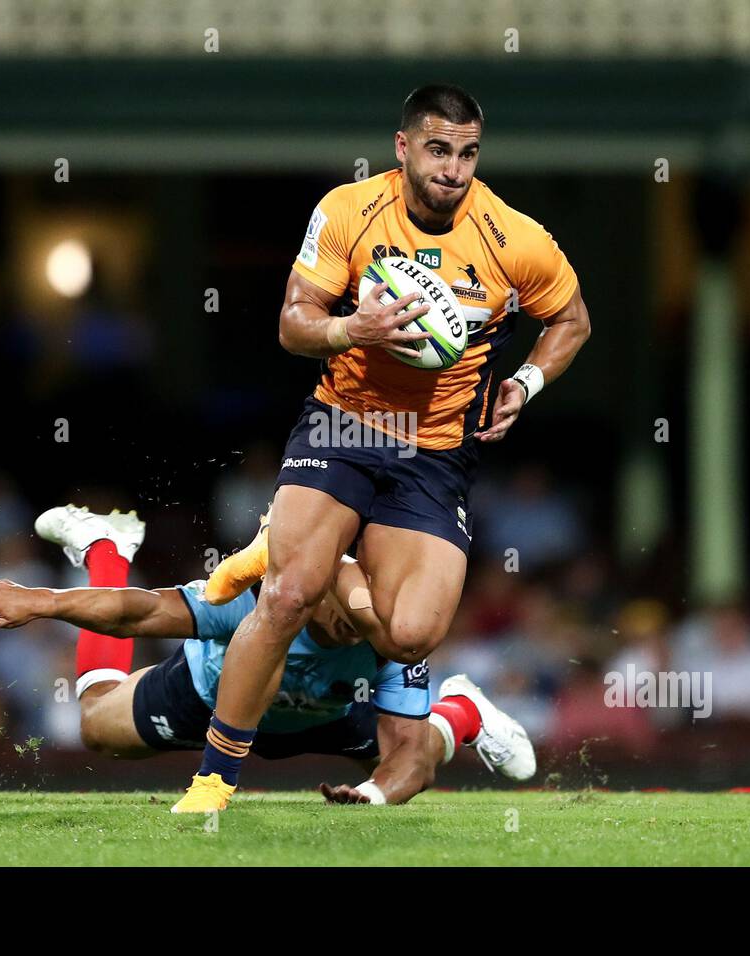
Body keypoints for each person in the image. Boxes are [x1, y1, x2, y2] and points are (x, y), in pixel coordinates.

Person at [180, 82, 591, 811]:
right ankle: (214, 781)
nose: (453, 170)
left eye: (467, 154)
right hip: (343, 425)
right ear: (403, 148)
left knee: (408, 637)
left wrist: (526, 383)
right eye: (438, 150)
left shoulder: (514, 238)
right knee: (285, 596)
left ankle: (448, 697)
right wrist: (352, 330)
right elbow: (293, 322)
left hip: (434, 454)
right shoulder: (347, 210)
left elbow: (572, 319)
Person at [0, 505, 536, 807]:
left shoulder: (396, 631)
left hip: (335, 715)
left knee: (416, 764)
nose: (346, 622)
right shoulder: (265, 594)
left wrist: (376, 797)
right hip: (211, 697)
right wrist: (43, 600)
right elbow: (141, 612)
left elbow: (409, 760)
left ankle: (464, 711)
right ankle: (106, 545)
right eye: (337, 606)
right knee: (95, 725)